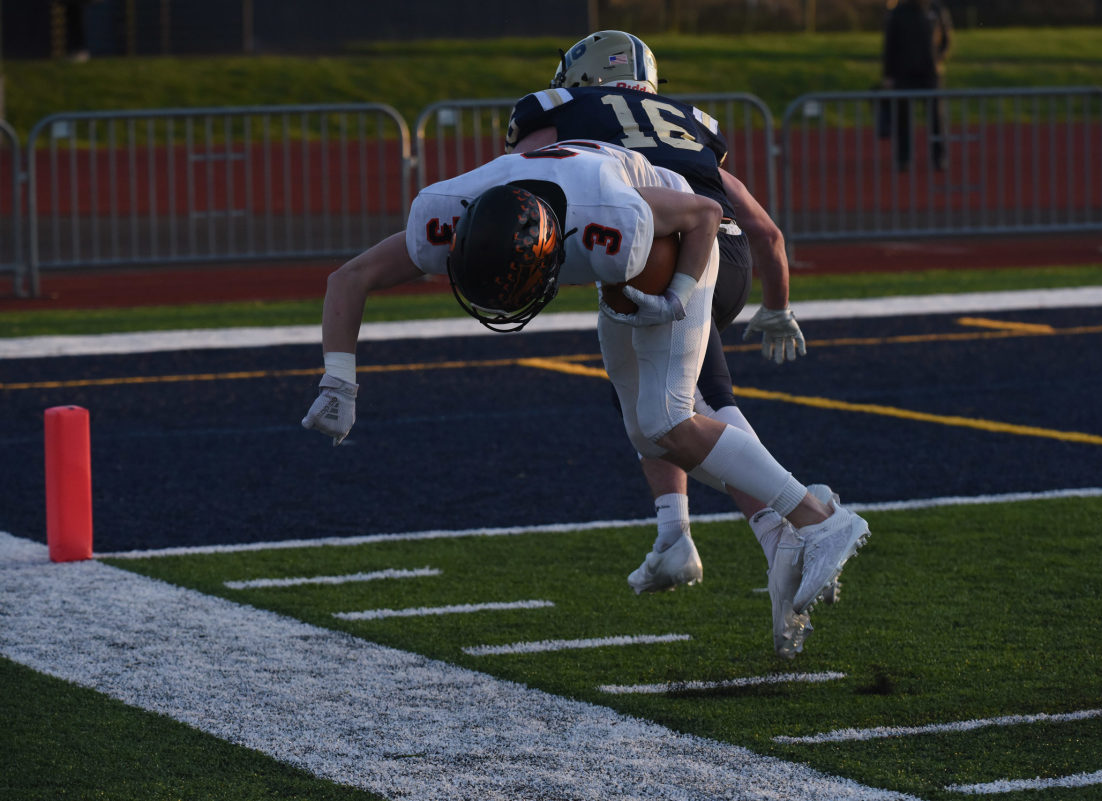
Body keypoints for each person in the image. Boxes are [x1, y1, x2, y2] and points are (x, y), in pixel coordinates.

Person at [300, 139, 871, 658]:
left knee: (669, 419)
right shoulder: (441, 217)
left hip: (668, 245)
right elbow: (347, 279)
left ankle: (820, 519)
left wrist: (675, 298)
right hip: (603, 238)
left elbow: (702, 214)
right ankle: (780, 528)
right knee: (645, 434)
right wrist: (338, 382)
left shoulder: (611, 222)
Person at [504, 30, 823, 611]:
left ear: (583, 73)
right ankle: (678, 532)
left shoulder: (559, 111)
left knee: (672, 413)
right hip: (731, 259)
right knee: (672, 395)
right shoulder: (684, 121)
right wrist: (776, 308)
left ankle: (797, 522)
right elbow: (768, 232)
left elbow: (521, 181)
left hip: (673, 258)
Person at [882, 0, 953, 170]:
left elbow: (946, 39)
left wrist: (939, 59)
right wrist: (888, 75)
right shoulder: (899, 12)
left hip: (930, 75)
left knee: (936, 118)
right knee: (903, 119)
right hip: (904, 75)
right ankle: (904, 159)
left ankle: (939, 157)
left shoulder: (936, 9)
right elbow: (889, 44)